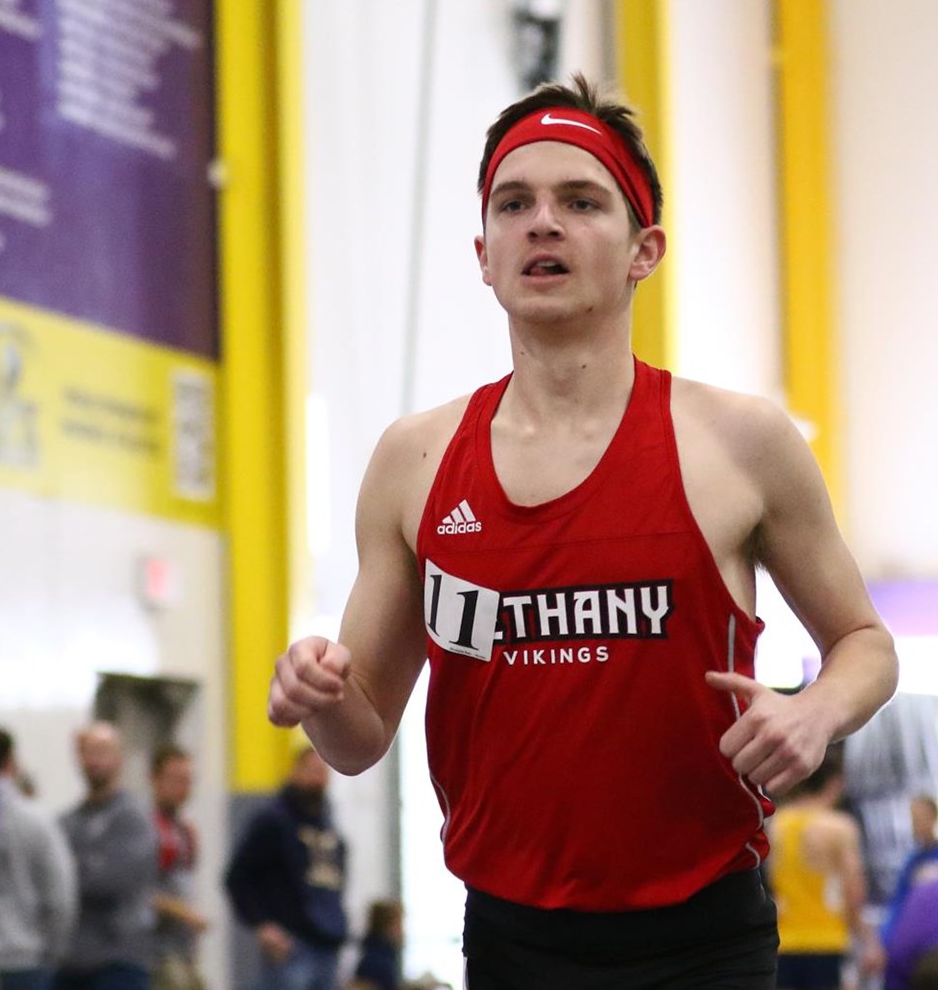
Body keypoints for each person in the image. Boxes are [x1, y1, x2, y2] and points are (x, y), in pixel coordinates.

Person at [264, 74, 898, 989]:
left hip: (705, 938)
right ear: (484, 256)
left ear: (645, 250)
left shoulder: (739, 442)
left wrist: (815, 712)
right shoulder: (414, 461)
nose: (543, 224)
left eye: (581, 202)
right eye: (514, 204)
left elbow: (867, 644)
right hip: (512, 940)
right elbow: (358, 740)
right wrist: (318, 692)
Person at [223, 747, 348, 990]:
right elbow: (238, 878)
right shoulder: (273, 822)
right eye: (312, 771)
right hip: (290, 945)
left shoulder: (331, 829)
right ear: (295, 772)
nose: (318, 779)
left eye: (323, 772)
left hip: (327, 945)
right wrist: (262, 924)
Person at [0, 724, 78, 990]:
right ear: (10, 762)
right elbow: (61, 895)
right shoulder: (38, 821)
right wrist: (52, 952)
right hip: (26, 958)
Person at [58, 722, 159, 990]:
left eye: (102, 751)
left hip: (120, 960)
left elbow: (110, 882)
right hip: (72, 960)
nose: (94, 761)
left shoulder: (134, 820)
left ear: (118, 759)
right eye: (87, 752)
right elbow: (49, 880)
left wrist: (70, 873)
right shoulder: (67, 822)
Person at [767, 747, 875, 988]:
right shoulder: (839, 828)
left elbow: (770, 884)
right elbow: (853, 891)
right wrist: (868, 941)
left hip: (784, 941)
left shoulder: (776, 824)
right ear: (835, 782)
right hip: (826, 939)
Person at [149, 744, 209, 990]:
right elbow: (137, 892)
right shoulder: (145, 829)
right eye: (175, 779)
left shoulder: (185, 831)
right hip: (155, 950)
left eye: (187, 780)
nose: (182, 787)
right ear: (154, 780)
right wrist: (182, 913)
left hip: (184, 948)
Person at [883, 795, 938, 942]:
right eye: (912, 819)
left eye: (920, 818)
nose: (915, 824)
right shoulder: (911, 862)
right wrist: (885, 939)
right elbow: (899, 903)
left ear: (934, 818)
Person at [348, 900, 405, 990]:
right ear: (386, 926)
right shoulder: (375, 961)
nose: (402, 931)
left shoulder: (386, 956)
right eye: (398, 925)